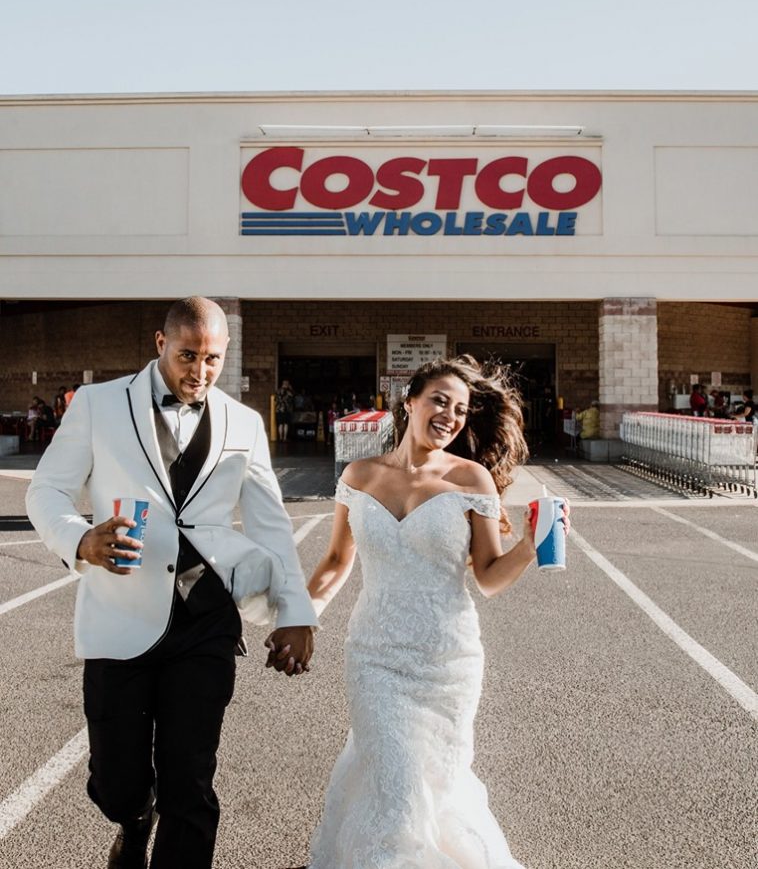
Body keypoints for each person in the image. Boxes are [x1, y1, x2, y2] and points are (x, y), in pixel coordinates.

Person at [26, 297, 317, 869]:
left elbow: (270, 524)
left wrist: (296, 611)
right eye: (188, 356)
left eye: (212, 360)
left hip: (206, 621)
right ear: (161, 344)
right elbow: (46, 491)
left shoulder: (245, 422)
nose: (200, 372)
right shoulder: (98, 404)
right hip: (121, 614)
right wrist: (80, 539)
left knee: (191, 780)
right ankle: (135, 821)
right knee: (116, 783)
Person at [300, 355, 568, 869]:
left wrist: (532, 544)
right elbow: (336, 560)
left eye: (461, 410)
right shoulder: (360, 475)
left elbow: (488, 577)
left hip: (447, 662)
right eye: (439, 401)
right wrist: (301, 616)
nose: (449, 415)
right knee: (396, 790)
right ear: (409, 403)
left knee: (438, 788)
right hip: (374, 659)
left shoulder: (473, 481)